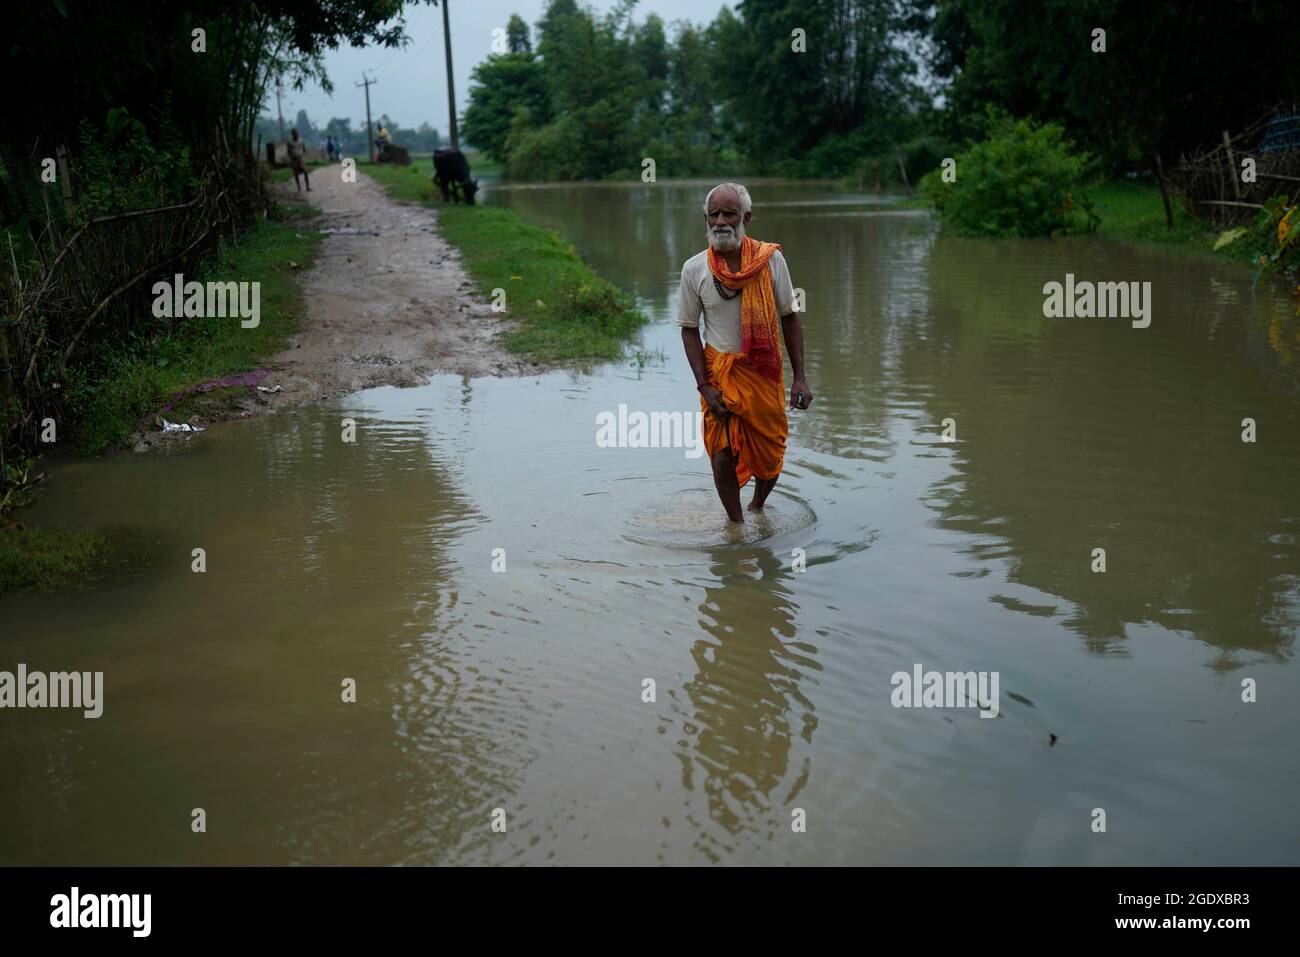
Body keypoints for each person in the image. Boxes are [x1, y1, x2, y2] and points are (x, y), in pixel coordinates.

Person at [678, 183, 813, 523]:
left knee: (770, 457)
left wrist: (800, 378)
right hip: (719, 373)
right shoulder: (694, 269)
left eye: (729, 214)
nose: (721, 221)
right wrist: (704, 385)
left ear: (746, 218)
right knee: (721, 454)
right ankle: (736, 525)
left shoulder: (771, 262)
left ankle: (757, 507)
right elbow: (689, 329)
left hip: (764, 372)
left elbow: (789, 317)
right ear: (706, 219)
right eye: (714, 215)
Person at [288, 128, 310, 192]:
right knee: (296, 174)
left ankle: (307, 186)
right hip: (294, 159)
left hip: (301, 158)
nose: (296, 134)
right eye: (294, 133)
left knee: (305, 171)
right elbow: (289, 152)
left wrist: (301, 155)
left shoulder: (301, 140)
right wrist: (292, 158)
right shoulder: (290, 142)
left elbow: (304, 149)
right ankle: (299, 187)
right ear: (292, 134)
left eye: (296, 133)